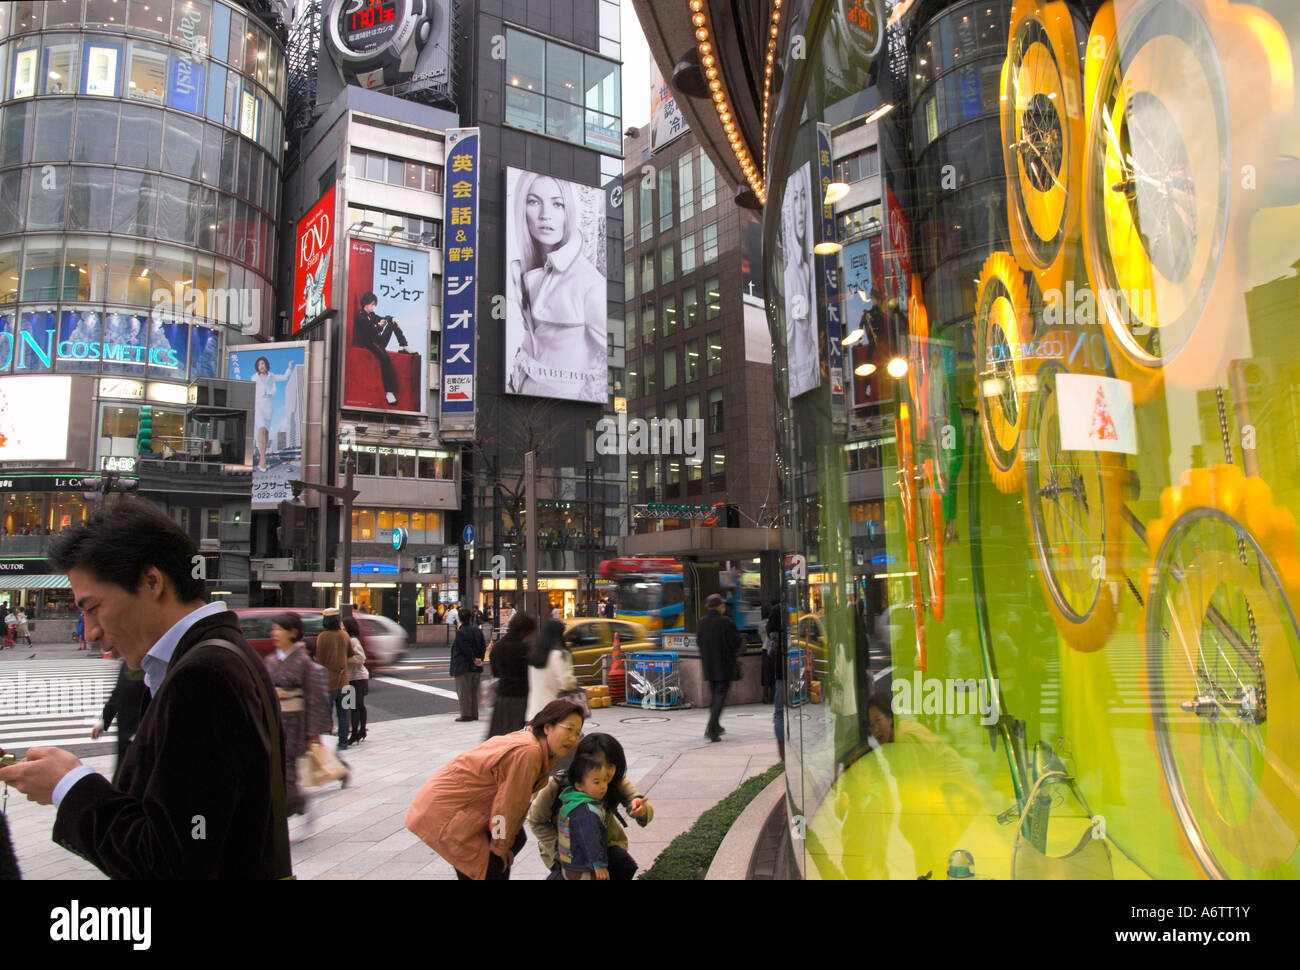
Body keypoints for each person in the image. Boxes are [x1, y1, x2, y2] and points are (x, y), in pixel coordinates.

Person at [0, 499, 291, 878]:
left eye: (92, 608)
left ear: (152, 582)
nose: (90, 634)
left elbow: (169, 862)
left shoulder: (204, 674)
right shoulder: (220, 652)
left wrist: (69, 786)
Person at [405, 699, 585, 880]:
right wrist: (500, 846)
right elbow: (507, 806)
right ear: (547, 727)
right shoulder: (528, 752)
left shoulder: (534, 743)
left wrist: (502, 844)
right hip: (446, 811)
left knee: (511, 844)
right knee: (492, 865)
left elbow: (511, 806)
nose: (573, 738)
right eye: (569, 729)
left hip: (459, 805)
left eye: (577, 733)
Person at [507, 172, 605, 402]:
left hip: (566, 416)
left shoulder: (590, 285)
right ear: (522, 208)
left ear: (568, 211)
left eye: (557, 204)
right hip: (521, 411)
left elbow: (614, 359)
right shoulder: (518, 273)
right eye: (533, 202)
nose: (545, 215)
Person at [527, 732, 652, 881]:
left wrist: (640, 810)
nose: (604, 771)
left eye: (611, 765)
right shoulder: (557, 784)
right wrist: (562, 849)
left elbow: (636, 799)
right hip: (565, 852)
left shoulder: (614, 780)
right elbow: (535, 820)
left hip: (603, 847)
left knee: (623, 864)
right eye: (598, 764)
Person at [261, 612, 331, 829]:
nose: (274, 633)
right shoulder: (270, 661)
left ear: (293, 632)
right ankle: (300, 804)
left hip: (296, 722)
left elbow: (314, 697)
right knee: (274, 768)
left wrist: (313, 732)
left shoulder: (303, 662)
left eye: (279, 629)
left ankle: (289, 808)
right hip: (275, 721)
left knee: (288, 769)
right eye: (273, 629)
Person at [782, 163, 819, 397]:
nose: (801, 209)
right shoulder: (790, 276)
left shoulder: (806, 269)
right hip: (802, 381)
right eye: (795, 199)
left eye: (804, 197)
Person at [556, 752, 610, 880]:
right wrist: (598, 864)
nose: (603, 786)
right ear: (579, 785)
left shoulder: (571, 803)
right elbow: (589, 839)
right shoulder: (585, 811)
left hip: (570, 863)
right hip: (583, 867)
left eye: (605, 780)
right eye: (597, 782)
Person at [697, 592, 742, 742]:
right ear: (720, 606)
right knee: (719, 697)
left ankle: (715, 726)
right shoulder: (726, 622)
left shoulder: (701, 623)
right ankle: (712, 728)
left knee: (715, 696)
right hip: (724, 665)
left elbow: (699, 642)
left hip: (709, 666)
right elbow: (736, 642)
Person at [353, 290, 410, 407]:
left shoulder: (371, 315)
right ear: (366, 304)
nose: (374, 307)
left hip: (378, 341)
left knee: (393, 323)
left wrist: (391, 318)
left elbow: (382, 317)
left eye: (374, 304)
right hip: (370, 343)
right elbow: (371, 333)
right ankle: (389, 392)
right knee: (385, 359)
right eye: (372, 304)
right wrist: (380, 326)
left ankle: (403, 345)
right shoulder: (360, 317)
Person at [486, 611, 536, 739]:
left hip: (503, 697)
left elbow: (495, 672)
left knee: (500, 736)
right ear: (525, 630)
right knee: (517, 736)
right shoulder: (526, 649)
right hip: (522, 697)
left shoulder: (498, 647)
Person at [90, 661, 147, 773]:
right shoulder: (127, 665)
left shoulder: (152, 669)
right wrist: (102, 722)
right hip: (125, 733)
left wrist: (143, 732)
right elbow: (118, 693)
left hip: (142, 737)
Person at [314, 608, 352, 751]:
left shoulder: (322, 637)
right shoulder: (345, 635)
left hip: (328, 681)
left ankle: (327, 739)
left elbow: (320, 660)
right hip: (344, 681)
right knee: (344, 714)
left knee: (327, 714)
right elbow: (350, 653)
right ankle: (344, 742)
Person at [525, 617, 577, 721]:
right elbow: (566, 684)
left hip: (534, 712)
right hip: (555, 713)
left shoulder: (535, 655)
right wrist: (574, 681)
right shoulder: (560, 655)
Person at [251, 356, 294, 472]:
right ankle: (263, 460)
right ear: (257, 367)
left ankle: (262, 459)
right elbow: (252, 390)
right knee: (261, 428)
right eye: (259, 364)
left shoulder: (272, 376)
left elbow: (284, 377)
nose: (261, 366)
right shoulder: (254, 377)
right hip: (258, 403)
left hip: (268, 405)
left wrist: (289, 367)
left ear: (266, 365)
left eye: (263, 363)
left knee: (266, 432)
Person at [450, 607, 486, 722]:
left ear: (460, 618)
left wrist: (473, 658)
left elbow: (464, 648)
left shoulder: (461, 632)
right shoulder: (477, 630)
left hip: (463, 666)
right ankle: (474, 714)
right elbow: (483, 645)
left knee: (464, 692)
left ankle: (466, 715)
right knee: (473, 691)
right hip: (476, 667)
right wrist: (480, 658)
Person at [343, 616, 370, 745]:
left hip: (357, 677)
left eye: (343, 626)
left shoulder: (352, 641)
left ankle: (355, 733)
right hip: (354, 677)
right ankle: (360, 731)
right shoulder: (349, 639)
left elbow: (361, 657)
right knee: (356, 705)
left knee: (354, 706)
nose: (341, 628)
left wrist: (345, 659)